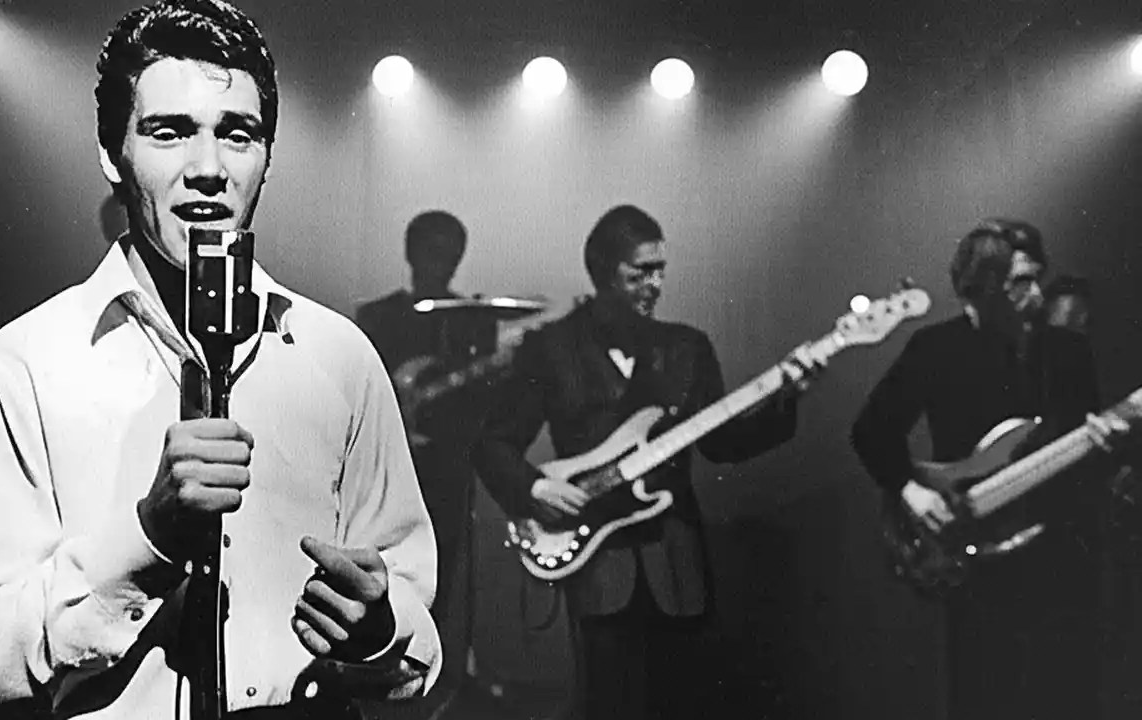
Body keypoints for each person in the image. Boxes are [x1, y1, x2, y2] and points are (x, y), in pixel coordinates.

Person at [0, 2, 440, 719]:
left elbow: (416, 631)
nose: (208, 169)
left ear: (267, 157)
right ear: (113, 154)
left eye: (238, 134)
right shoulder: (23, 365)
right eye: (169, 132)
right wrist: (145, 539)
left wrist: (378, 632)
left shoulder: (341, 358)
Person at [471, 204, 822, 720]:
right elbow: (493, 443)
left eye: (661, 271)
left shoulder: (686, 348)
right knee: (609, 702)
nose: (655, 284)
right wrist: (536, 490)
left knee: (683, 701)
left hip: (676, 560)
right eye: (640, 272)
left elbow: (722, 446)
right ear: (602, 271)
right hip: (596, 558)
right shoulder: (552, 348)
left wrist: (787, 399)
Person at [851, 219, 1109, 720]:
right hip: (978, 562)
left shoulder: (1065, 352)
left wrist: (1107, 443)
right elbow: (870, 432)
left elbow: (1091, 451)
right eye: (1019, 283)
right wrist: (912, 491)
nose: (1036, 295)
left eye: (1038, 278)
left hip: (1060, 550)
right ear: (982, 289)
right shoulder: (934, 348)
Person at [354, 211, 496, 698]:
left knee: (442, 578)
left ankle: (429, 686)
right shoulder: (377, 317)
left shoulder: (472, 320)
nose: (442, 263)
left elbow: (486, 407)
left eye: (451, 253)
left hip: (446, 472)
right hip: (386, 472)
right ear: (412, 252)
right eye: (433, 251)